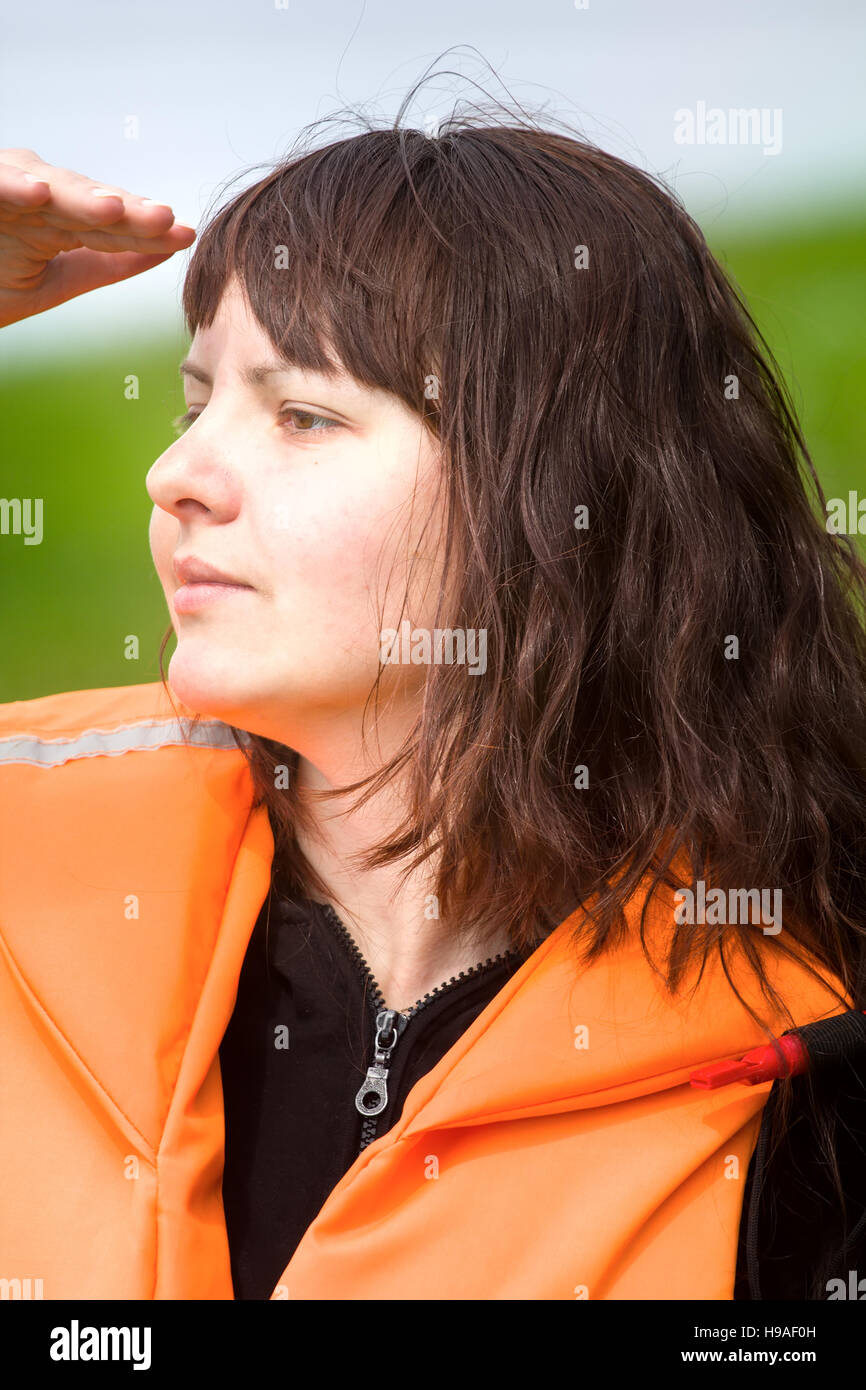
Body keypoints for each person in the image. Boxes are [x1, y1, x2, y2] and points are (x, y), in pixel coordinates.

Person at [1, 104, 865, 1302]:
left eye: (301, 414)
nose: (176, 474)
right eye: (197, 406)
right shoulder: (21, 835)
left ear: (553, 493)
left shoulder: (808, 1063)